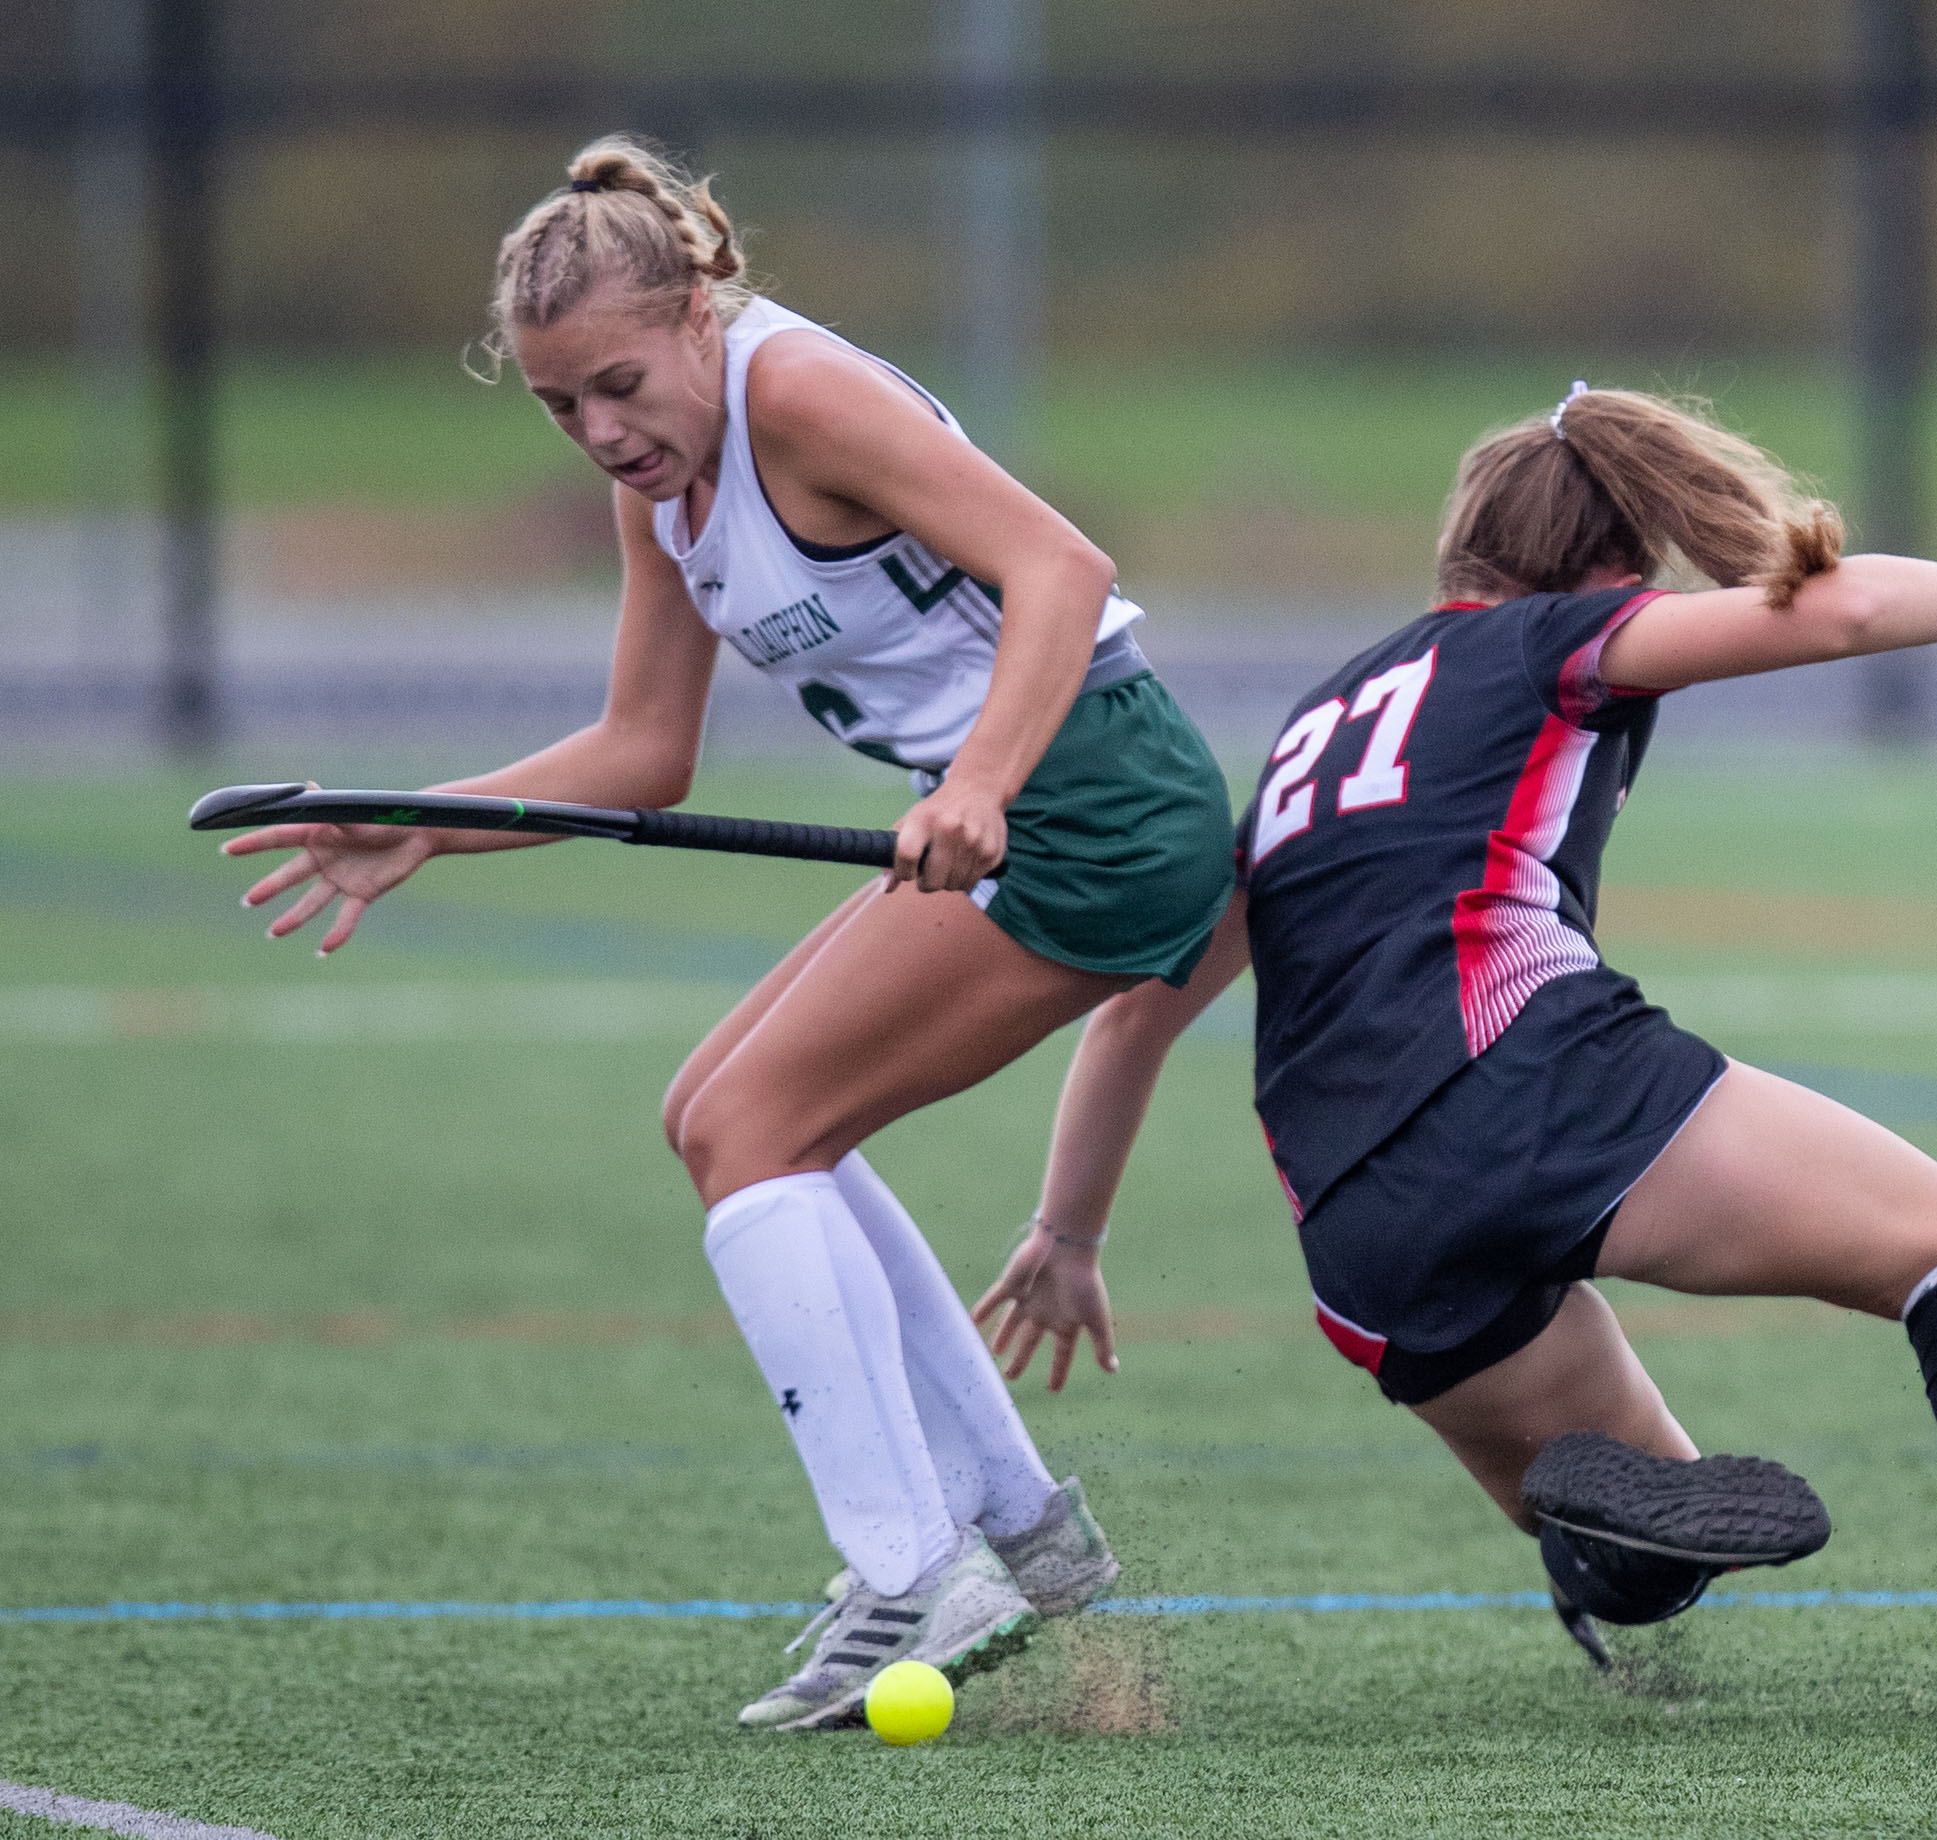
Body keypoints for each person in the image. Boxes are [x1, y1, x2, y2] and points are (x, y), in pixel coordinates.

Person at [975, 383, 1937, 1729]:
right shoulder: (1550, 638)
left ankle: (1608, 1551)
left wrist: (1068, 1233)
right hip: (1533, 1080)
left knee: (1654, 1537)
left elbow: (1136, 1011)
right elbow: (1839, 612)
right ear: (1612, 564)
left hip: (1356, 1215)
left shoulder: (1319, 724)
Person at [216, 137, 1235, 1732]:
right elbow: (642, 751)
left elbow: (1062, 564)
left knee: (758, 1125)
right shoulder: (662, 484)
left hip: (1098, 803)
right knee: (713, 1114)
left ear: (700, 314)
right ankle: (1019, 1525)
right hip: (1010, 809)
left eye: (619, 385)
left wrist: (980, 780)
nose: (600, 431)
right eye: (560, 406)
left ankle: (916, 1569)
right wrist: (430, 817)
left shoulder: (797, 394)